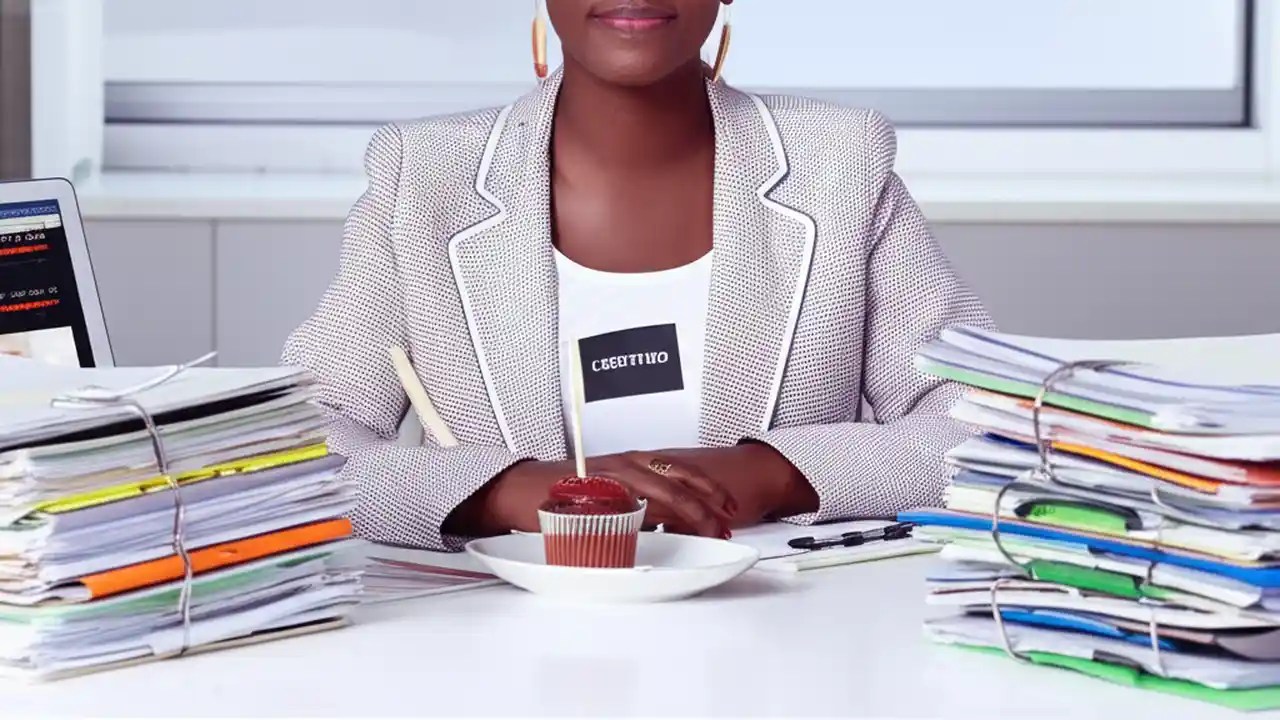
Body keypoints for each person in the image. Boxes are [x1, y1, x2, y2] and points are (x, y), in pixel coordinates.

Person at [283, 0, 994, 550]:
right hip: (499, 641)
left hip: (784, 638)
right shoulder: (423, 177)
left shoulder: (841, 161)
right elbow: (299, 447)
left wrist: (771, 473)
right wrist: (505, 492)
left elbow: (986, 426)